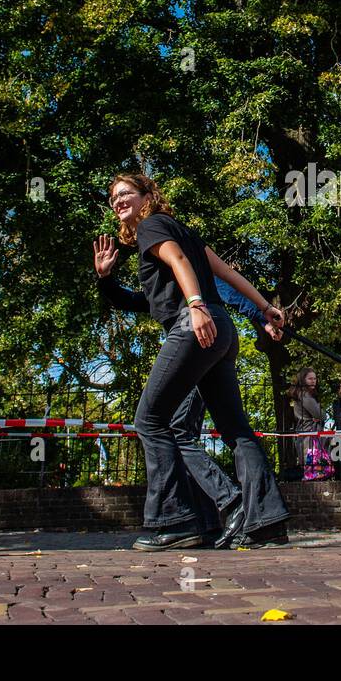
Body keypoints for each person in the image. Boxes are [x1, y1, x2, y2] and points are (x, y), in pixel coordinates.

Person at [94, 173, 290, 550]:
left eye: (125, 194)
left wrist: (196, 306)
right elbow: (224, 274)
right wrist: (265, 308)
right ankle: (266, 521)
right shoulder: (177, 230)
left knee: (150, 420)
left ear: (148, 195)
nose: (117, 201)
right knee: (236, 430)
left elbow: (180, 260)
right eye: (113, 197)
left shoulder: (152, 226)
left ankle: (175, 521)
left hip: (195, 326)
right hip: (220, 330)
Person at [287, 368, 333, 481]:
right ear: (303, 380)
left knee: (312, 472)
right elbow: (321, 415)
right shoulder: (305, 395)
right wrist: (321, 414)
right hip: (309, 435)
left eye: (315, 378)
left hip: (306, 434)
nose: (313, 381)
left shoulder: (301, 395)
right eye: (310, 378)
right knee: (314, 473)